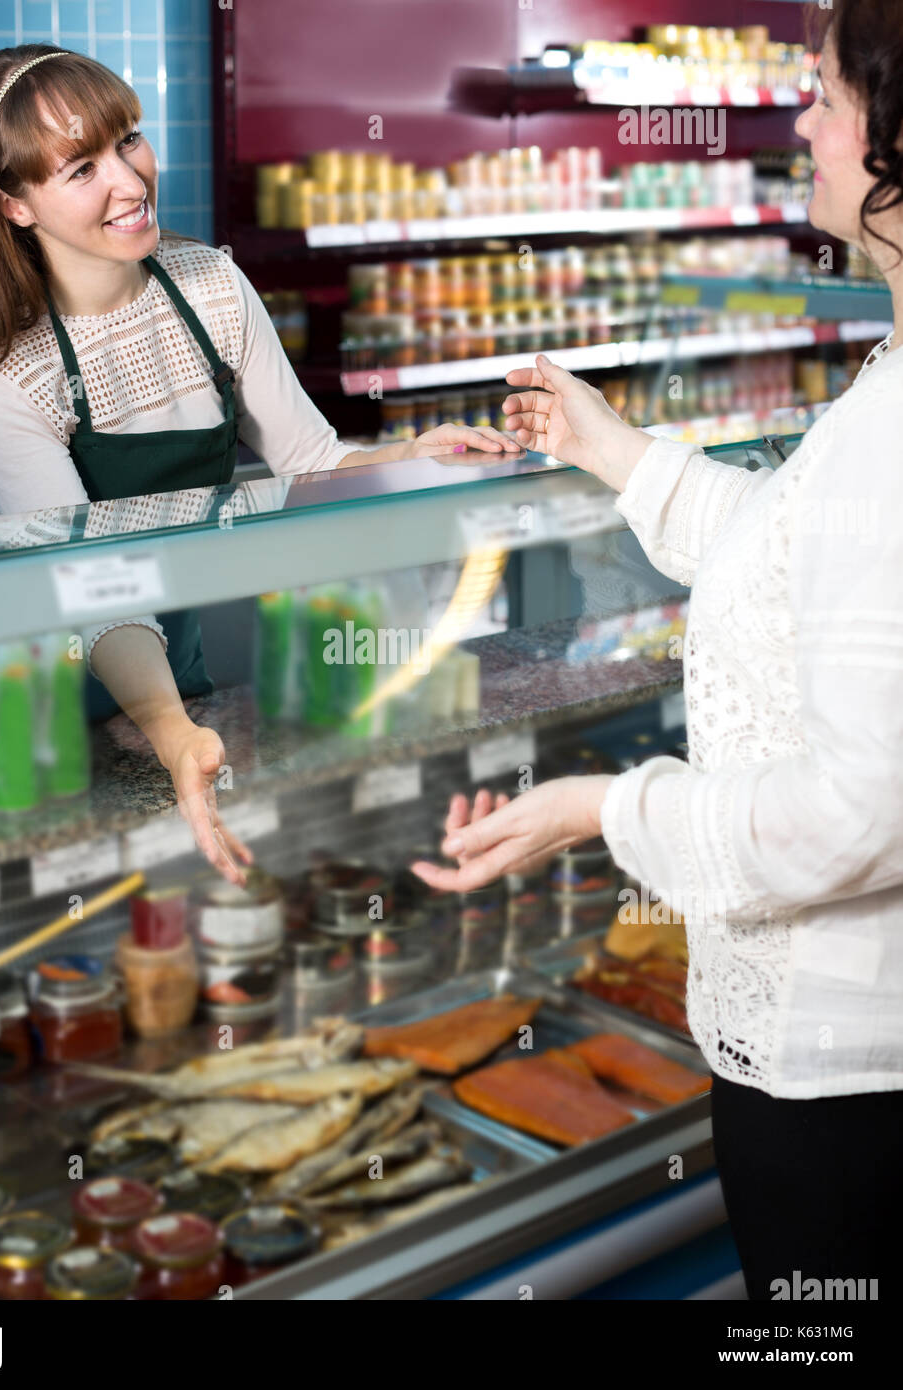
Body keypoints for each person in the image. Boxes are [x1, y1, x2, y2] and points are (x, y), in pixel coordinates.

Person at [414, 0, 903, 1301]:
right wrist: (616, 448)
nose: (803, 120)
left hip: (849, 1090)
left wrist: (602, 807)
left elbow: (862, 808)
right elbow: (802, 556)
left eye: (830, 97)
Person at [0, 45, 521, 884]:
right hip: (47, 720)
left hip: (181, 687)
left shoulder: (210, 285)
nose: (130, 182)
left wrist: (408, 456)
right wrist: (170, 731)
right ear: (14, 205)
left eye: (128, 140)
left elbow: (309, 459)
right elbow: (93, 595)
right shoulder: (8, 381)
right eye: (82, 168)